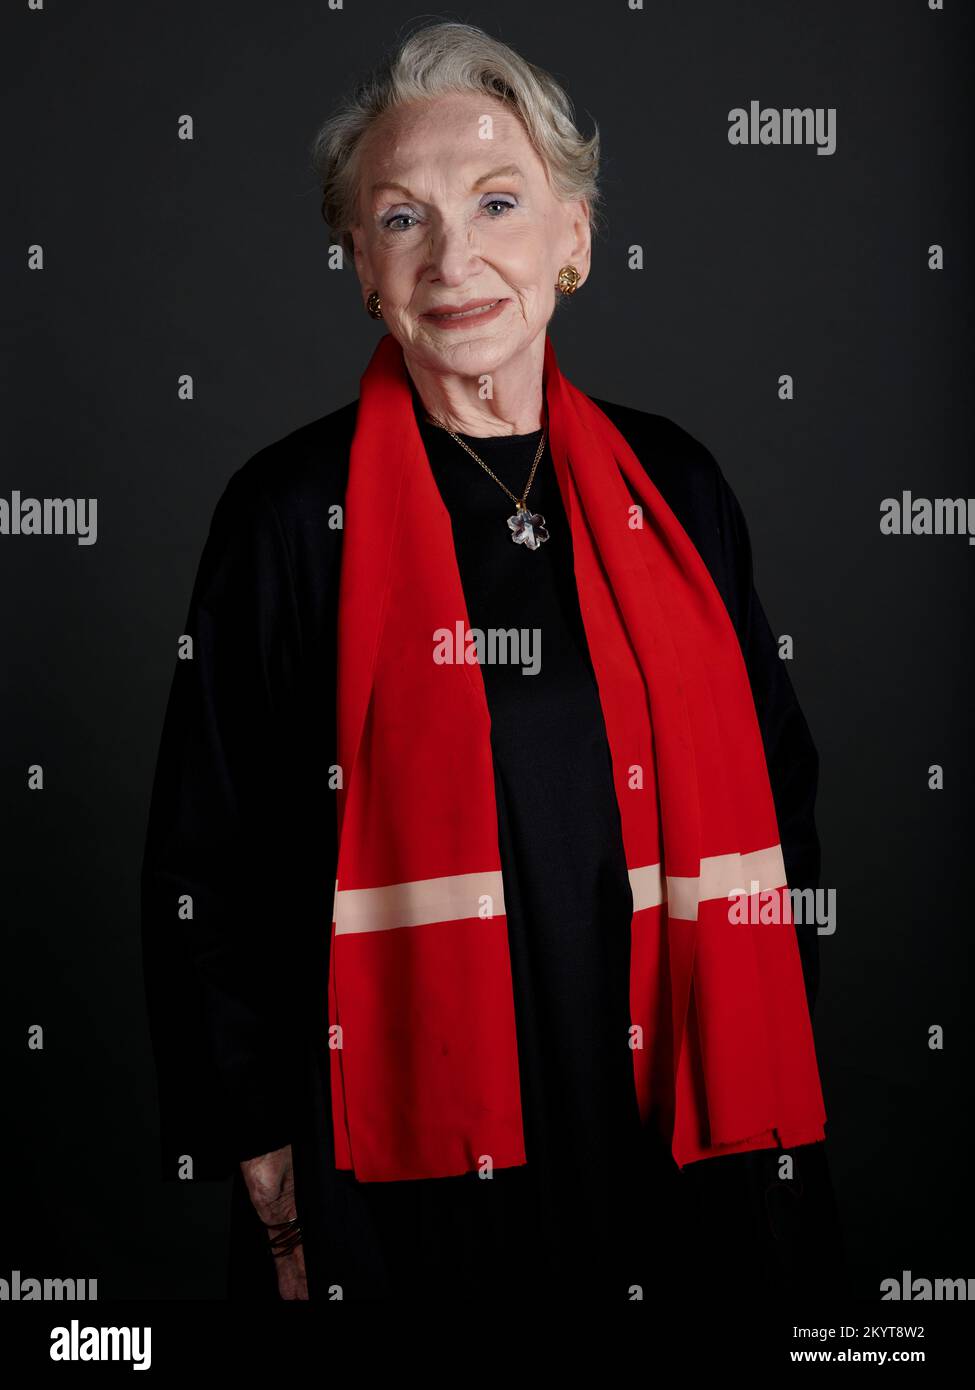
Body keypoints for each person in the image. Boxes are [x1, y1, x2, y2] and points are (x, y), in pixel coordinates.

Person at [140, 20, 848, 1303]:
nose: (455, 257)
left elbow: (782, 793)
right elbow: (208, 860)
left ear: (574, 238)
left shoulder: (676, 487)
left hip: (671, 1124)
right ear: (361, 265)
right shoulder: (292, 516)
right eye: (403, 219)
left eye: (498, 202)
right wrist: (263, 1161)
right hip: (400, 1166)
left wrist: (764, 1055)